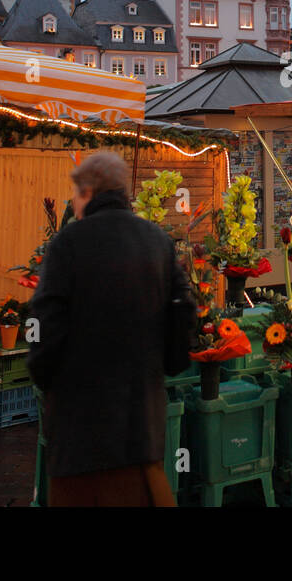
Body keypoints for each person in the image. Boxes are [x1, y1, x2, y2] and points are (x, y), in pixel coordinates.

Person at [27, 152, 191, 507]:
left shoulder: (67, 245)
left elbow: (44, 327)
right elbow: (183, 313)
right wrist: (167, 365)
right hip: (141, 428)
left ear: (87, 192)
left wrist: (45, 378)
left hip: (79, 432)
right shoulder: (157, 241)